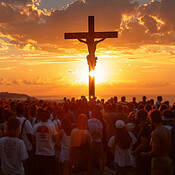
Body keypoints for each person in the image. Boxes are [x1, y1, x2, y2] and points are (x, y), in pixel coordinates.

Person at [141, 109, 172, 175]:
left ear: (151, 119)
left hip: (158, 162)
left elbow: (155, 152)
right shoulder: (167, 130)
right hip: (168, 159)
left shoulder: (155, 133)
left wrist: (145, 154)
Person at [33, 109, 57, 175]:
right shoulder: (51, 126)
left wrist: (39, 144)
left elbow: (33, 139)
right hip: (49, 152)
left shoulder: (35, 126)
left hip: (39, 153)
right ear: (48, 117)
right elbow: (55, 139)